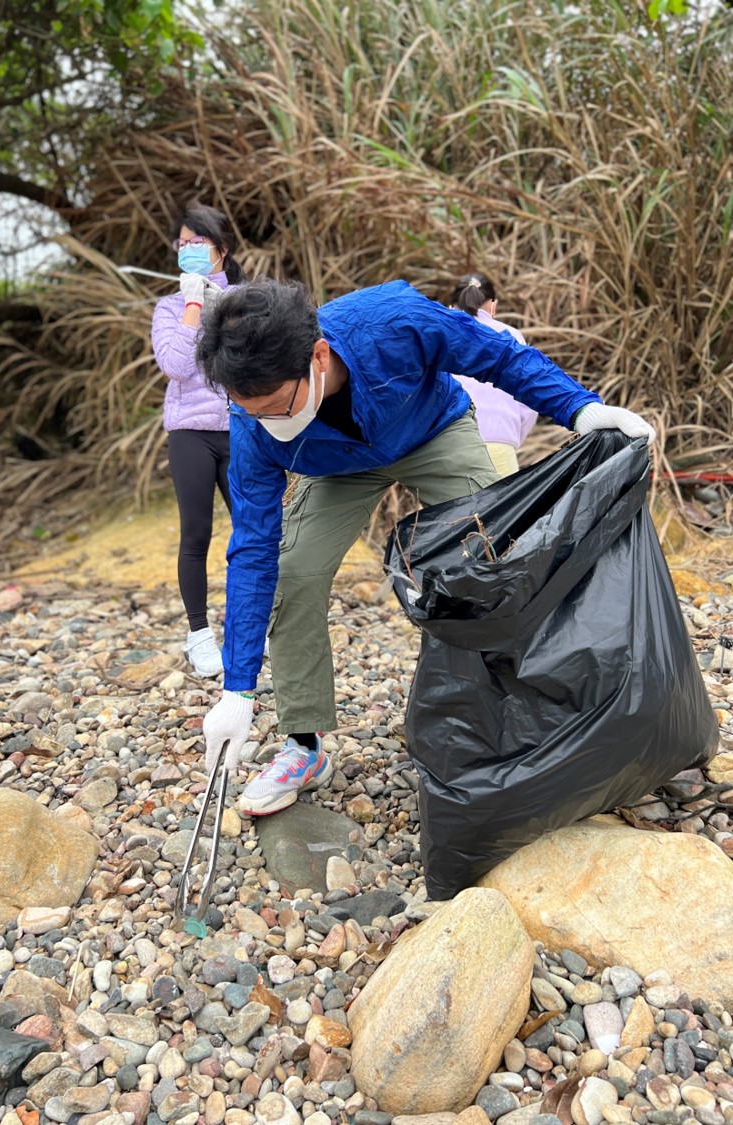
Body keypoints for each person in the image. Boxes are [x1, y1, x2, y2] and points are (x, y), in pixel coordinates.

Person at [196, 277, 655, 816]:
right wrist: (238, 689)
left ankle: (534, 705)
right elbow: (252, 548)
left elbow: (500, 357)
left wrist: (580, 409)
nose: (263, 421)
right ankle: (303, 744)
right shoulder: (253, 423)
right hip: (333, 468)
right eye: (249, 410)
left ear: (318, 355)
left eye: (274, 405)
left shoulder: (393, 321)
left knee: (497, 557)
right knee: (292, 569)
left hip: (432, 432)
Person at [151, 204, 245, 677]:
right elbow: (175, 366)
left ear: (222, 251)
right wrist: (192, 306)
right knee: (197, 534)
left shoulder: (245, 299)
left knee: (252, 532)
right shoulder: (169, 307)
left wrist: (219, 306)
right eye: (182, 244)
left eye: (197, 244)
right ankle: (198, 635)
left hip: (241, 428)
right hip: (190, 432)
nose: (187, 251)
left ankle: (247, 628)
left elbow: (250, 357)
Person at [450, 271, 538, 477]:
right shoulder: (511, 336)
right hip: (500, 442)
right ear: (493, 306)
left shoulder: (440, 335)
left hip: (448, 445)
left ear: (451, 305)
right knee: (504, 509)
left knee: (447, 510)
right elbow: (530, 400)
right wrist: (511, 437)